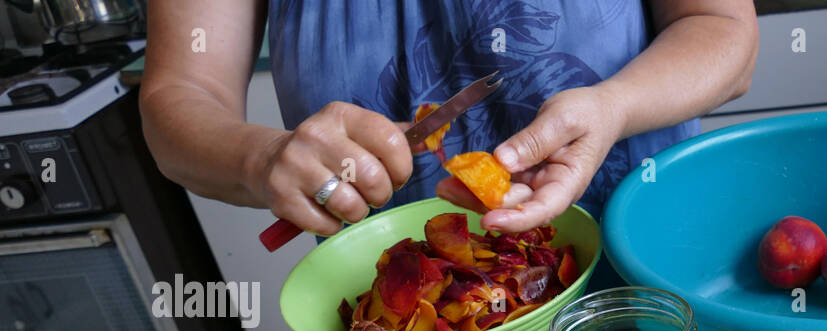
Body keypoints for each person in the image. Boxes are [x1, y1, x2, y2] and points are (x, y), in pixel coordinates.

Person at [140, 1, 759, 237]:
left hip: (652, 295)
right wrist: (261, 159)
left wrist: (614, 104)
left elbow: (724, 32)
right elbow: (181, 94)